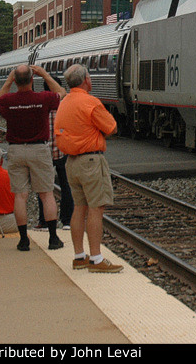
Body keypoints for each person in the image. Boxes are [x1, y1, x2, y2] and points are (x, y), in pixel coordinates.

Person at [53, 64, 122, 273]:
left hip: (71, 162)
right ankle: (96, 259)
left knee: (79, 208)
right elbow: (112, 128)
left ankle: (79, 256)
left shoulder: (64, 102)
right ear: (85, 80)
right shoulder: (91, 102)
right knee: (96, 208)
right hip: (91, 161)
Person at [0, 64, 65, 251]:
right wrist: (45, 74)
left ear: (15, 81)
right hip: (39, 150)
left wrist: (8, 81)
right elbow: (63, 94)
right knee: (46, 194)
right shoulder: (44, 98)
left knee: (20, 195)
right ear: (32, 80)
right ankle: (53, 238)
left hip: (16, 150)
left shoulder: (9, 100)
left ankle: (23, 240)